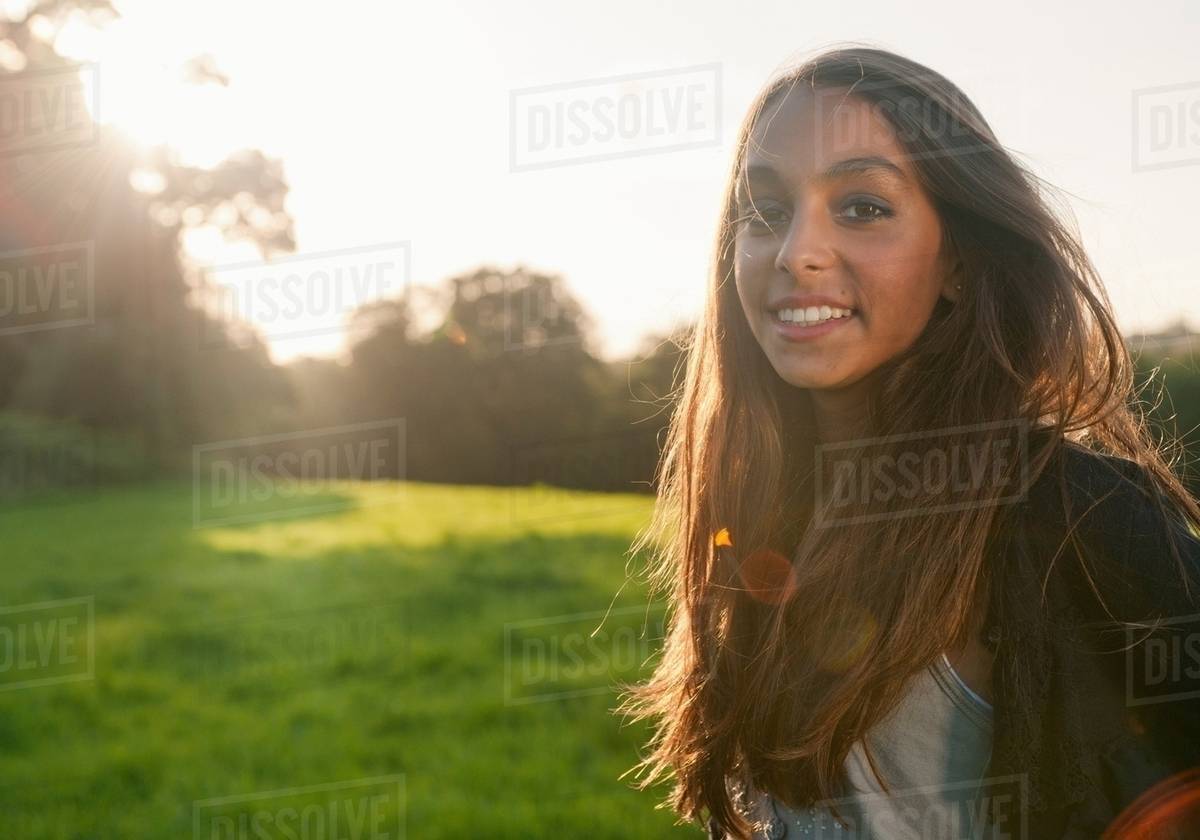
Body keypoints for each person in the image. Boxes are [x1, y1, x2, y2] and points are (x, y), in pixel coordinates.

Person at [616, 44, 1200, 840]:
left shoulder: (1078, 521)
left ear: (958, 260)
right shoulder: (752, 521)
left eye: (862, 207)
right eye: (766, 210)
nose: (796, 253)